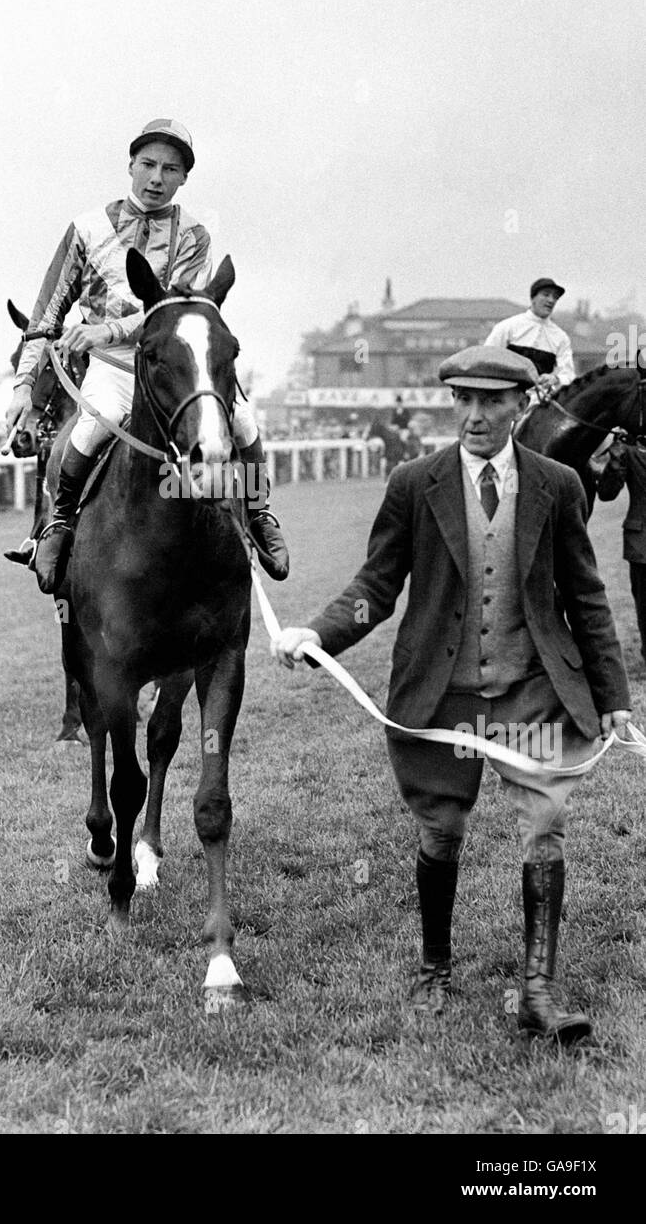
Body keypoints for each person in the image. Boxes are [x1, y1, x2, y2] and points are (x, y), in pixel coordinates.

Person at [273, 346, 631, 1042]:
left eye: (491, 402)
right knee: (442, 829)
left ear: (520, 405)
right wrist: (316, 634)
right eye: (462, 400)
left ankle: (537, 992)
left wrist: (612, 693)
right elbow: (377, 586)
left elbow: (586, 598)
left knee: (544, 825)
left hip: (531, 692)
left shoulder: (558, 485)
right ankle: (435, 969)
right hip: (442, 697)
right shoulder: (416, 483)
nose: (473, 415)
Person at [5, 118, 289, 592]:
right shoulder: (86, 229)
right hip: (114, 369)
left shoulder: (195, 235)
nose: (157, 178)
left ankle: (259, 513)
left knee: (241, 420)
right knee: (94, 425)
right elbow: (45, 317)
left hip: (172, 365)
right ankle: (56, 525)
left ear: (183, 178)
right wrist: (22, 387)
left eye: (170, 169)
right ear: (131, 165)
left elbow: (172, 311)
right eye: (149, 165)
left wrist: (102, 330)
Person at [596, 433, 646, 667]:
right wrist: (615, 462)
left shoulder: (630, 453)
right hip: (641, 540)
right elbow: (606, 493)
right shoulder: (629, 454)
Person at [485, 277, 575, 403]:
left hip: (540, 402)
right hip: (505, 398)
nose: (551, 300)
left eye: (555, 297)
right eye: (546, 295)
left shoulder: (561, 337)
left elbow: (568, 375)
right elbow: (486, 359)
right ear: (533, 298)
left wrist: (554, 378)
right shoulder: (508, 327)